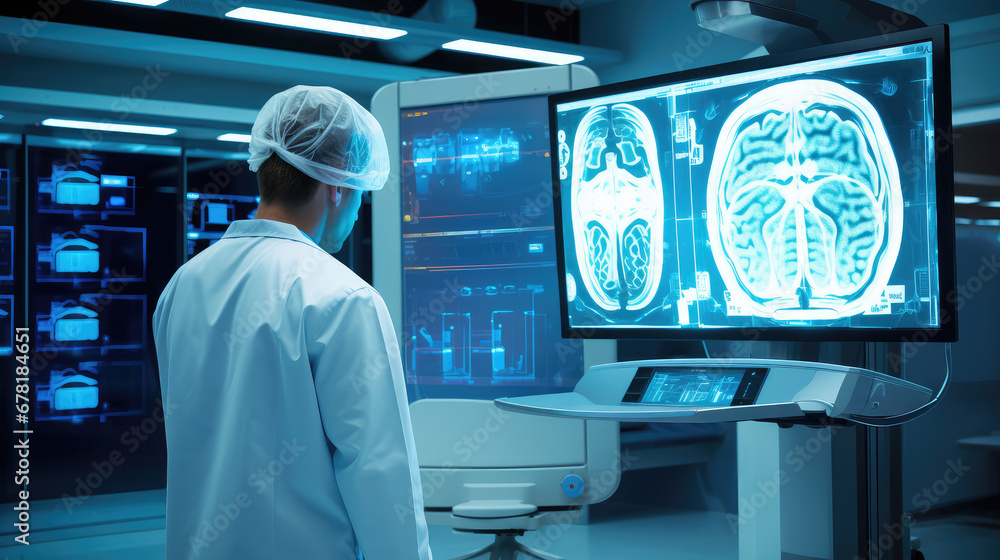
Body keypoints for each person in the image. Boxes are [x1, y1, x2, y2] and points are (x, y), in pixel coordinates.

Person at [153, 86, 432, 560]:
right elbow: (380, 476)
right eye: (360, 193)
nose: (358, 210)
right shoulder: (343, 297)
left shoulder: (183, 286)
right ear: (336, 187)